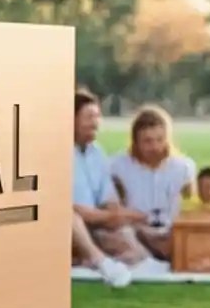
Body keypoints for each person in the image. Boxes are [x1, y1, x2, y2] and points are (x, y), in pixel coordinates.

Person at [71, 88, 167, 287]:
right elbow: (74, 209)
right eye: (89, 117)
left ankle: (141, 261)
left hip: (95, 224)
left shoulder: (97, 153)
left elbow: (108, 200)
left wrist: (119, 216)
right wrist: (112, 217)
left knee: (129, 230)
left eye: (97, 116)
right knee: (72, 218)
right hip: (71, 226)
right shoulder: (57, 152)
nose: (95, 122)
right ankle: (101, 261)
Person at [109, 105, 196, 259]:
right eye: (147, 141)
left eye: (160, 140)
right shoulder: (117, 166)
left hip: (172, 231)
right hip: (136, 231)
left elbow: (191, 208)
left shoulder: (184, 167)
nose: (155, 147)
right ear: (136, 141)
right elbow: (112, 208)